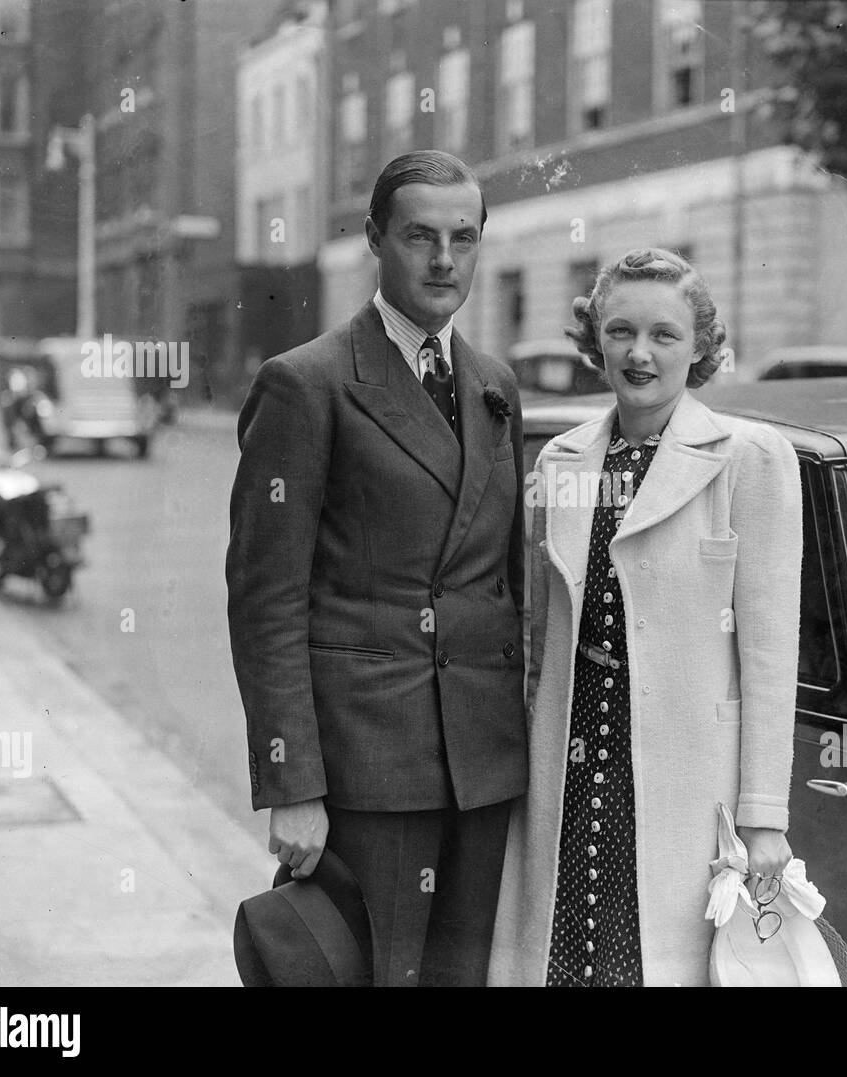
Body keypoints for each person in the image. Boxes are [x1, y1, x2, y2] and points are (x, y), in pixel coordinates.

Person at [226, 151, 528, 987]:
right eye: (419, 237)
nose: (443, 260)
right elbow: (266, 599)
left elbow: (509, 582)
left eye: (463, 238)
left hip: (481, 762)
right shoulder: (307, 383)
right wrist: (292, 782)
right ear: (372, 240)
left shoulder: (494, 385)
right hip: (371, 766)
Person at [489, 248, 804, 987]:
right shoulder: (561, 462)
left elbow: (767, 654)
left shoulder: (749, 459)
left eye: (664, 334)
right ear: (595, 340)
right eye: (621, 330)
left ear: (699, 347)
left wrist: (764, 817)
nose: (639, 352)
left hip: (687, 778)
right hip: (571, 759)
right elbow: (539, 636)